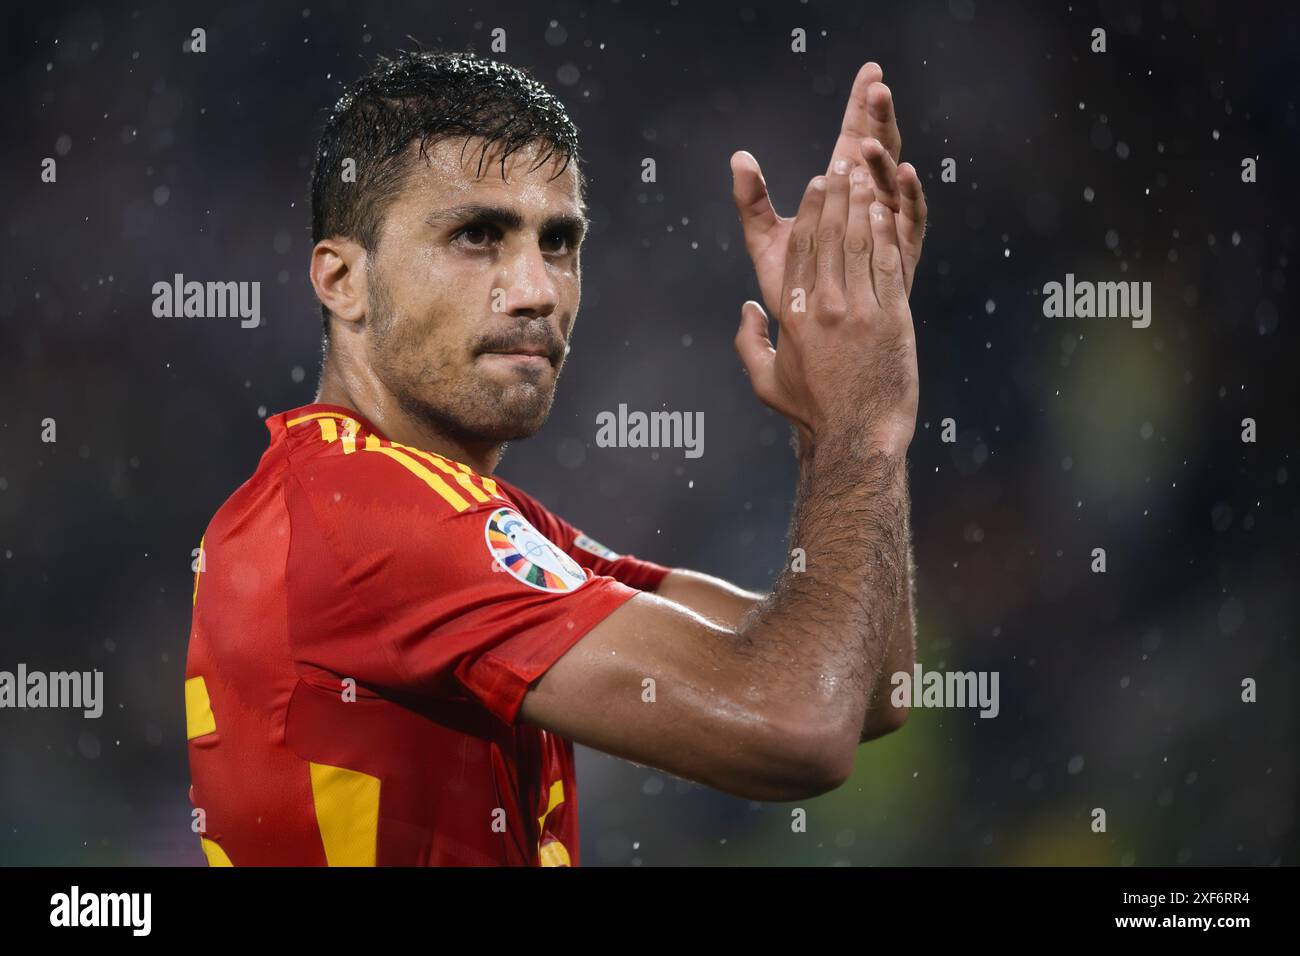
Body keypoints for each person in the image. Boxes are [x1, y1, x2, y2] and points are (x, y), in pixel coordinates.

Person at [184, 49, 928, 866]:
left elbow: (865, 688)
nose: (536, 288)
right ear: (343, 279)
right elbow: (800, 727)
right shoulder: (361, 514)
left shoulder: (438, 514)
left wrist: (832, 423)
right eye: (477, 235)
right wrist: (864, 423)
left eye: (559, 240)